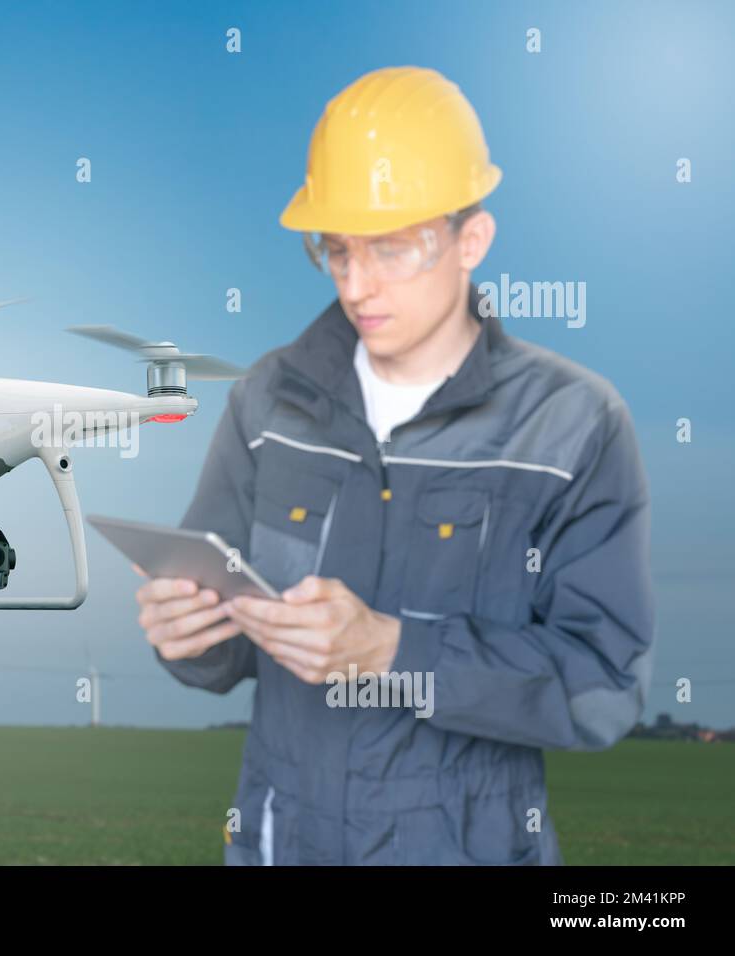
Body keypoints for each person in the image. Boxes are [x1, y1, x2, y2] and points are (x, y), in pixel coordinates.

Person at [135, 66, 654, 865]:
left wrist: (394, 655)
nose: (357, 283)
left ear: (470, 240)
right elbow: (228, 640)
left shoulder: (572, 425)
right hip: (282, 838)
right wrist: (189, 637)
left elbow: (605, 689)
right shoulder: (270, 401)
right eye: (336, 251)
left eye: (391, 248)